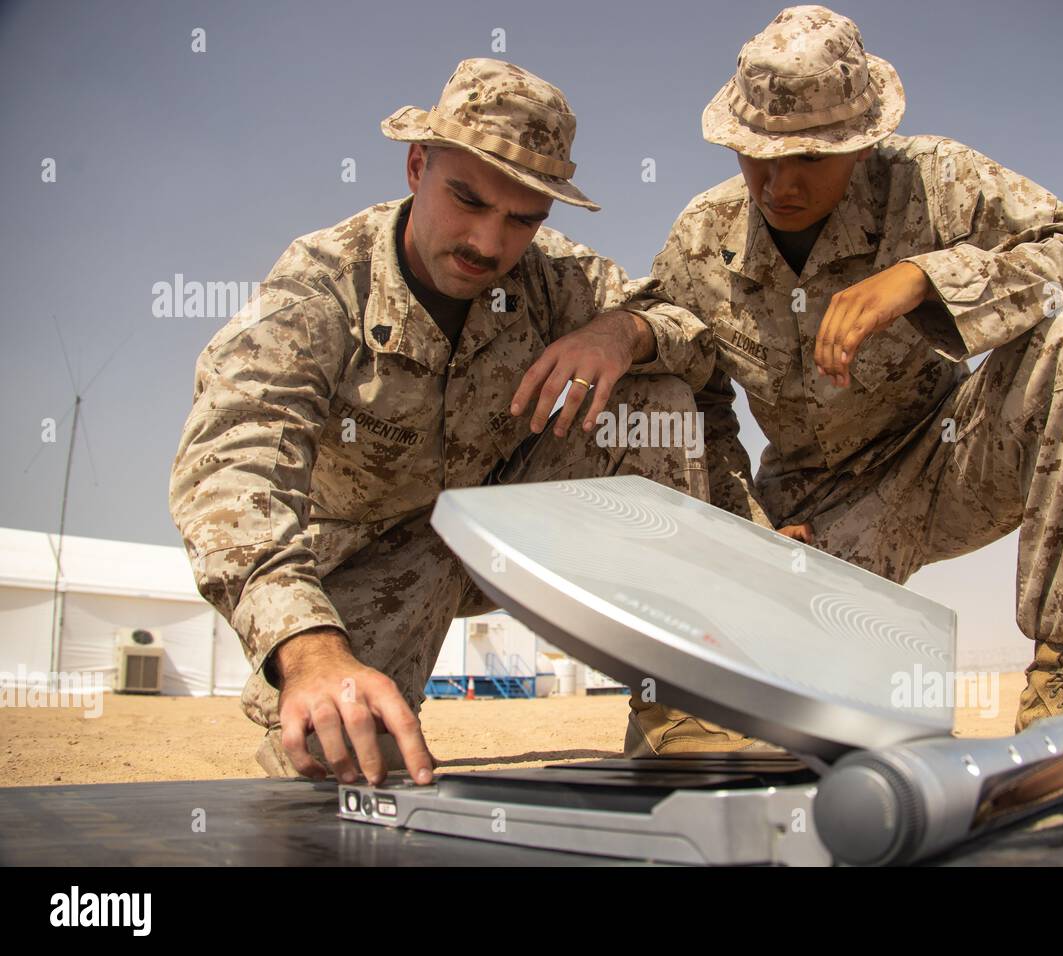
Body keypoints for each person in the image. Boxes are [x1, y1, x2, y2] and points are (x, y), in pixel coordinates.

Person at [169, 58, 715, 785]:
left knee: (657, 403)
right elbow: (230, 469)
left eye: (524, 219)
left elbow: (691, 331)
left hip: (511, 531)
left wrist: (621, 333)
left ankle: (677, 703)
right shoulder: (321, 286)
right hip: (376, 561)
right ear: (417, 165)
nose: (489, 244)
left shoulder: (554, 278)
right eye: (467, 199)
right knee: (352, 760)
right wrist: (310, 649)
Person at [637, 5, 1063, 758]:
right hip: (810, 520)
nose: (777, 184)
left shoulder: (935, 181)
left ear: (863, 141)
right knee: (805, 739)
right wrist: (747, 527)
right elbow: (697, 402)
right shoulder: (702, 236)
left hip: (948, 458)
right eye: (755, 156)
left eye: (807, 158)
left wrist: (928, 277)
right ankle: (696, 693)